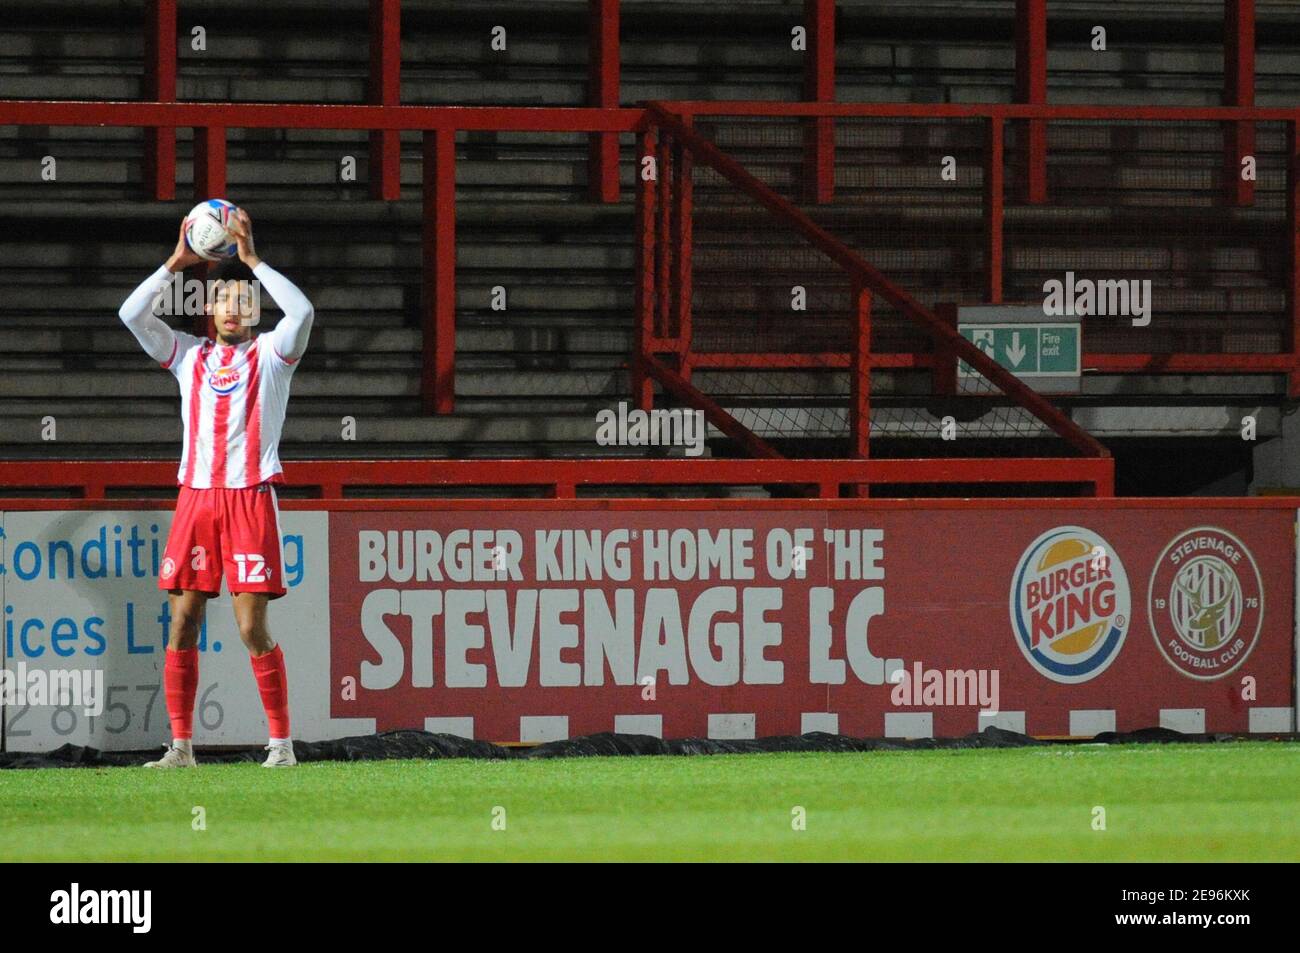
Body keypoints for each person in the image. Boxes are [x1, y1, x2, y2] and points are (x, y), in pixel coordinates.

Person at [117, 208, 314, 768]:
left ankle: (280, 744)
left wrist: (253, 260)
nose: (234, 308)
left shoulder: (272, 357)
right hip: (197, 498)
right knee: (183, 620)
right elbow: (130, 313)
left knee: (251, 626)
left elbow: (302, 310)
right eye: (225, 300)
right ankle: (180, 747)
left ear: (253, 312)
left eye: (244, 301)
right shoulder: (187, 356)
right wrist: (176, 263)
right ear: (208, 310)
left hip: (250, 495)